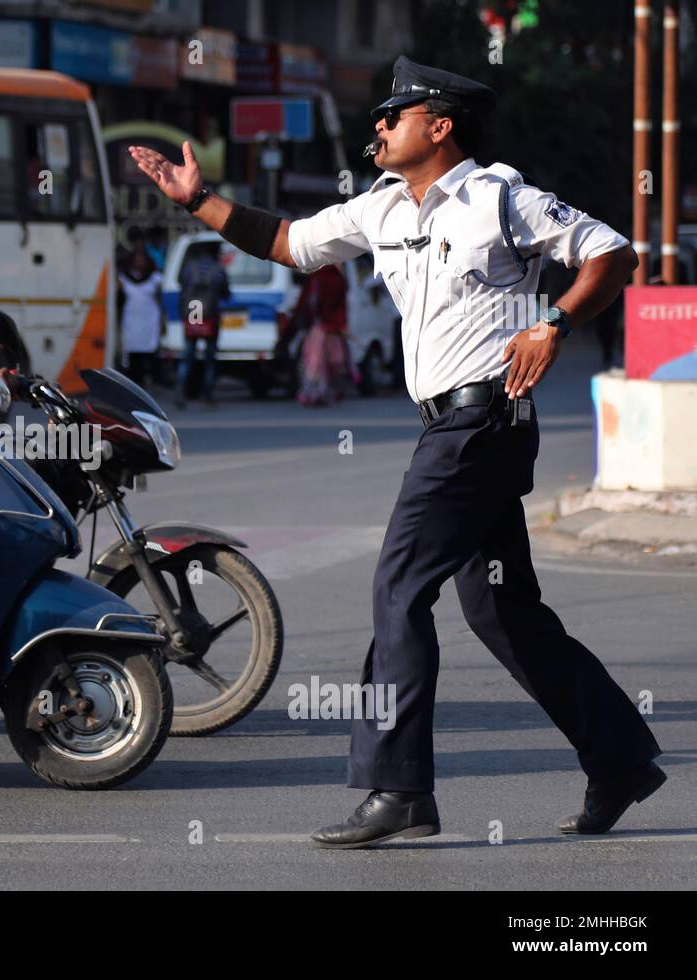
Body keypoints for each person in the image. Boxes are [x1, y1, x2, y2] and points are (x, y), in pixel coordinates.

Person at [130, 56, 664, 847]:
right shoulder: (379, 208)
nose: (378, 126)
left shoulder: (500, 198)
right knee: (501, 610)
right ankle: (619, 758)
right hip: (446, 427)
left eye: (395, 113)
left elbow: (613, 253)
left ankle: (400, 787)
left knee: (397, 589)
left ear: (439, 126)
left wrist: (553, 325)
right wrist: (199, 199)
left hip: (482, 424)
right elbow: (288, 242)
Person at [290, 263, 354, 406]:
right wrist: (342, 324)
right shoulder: (338, 279)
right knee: (336, 362)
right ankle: (330, 392)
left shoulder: (316, 278)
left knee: (314, 365)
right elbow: (342, 305)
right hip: (334, 329)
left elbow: (306, 302)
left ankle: (313, 394)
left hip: (319, 328)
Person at [177, 240, 231, 407]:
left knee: (188, 357)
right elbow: (226, 294)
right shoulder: (219, 270)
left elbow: (182, 285)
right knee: (209, 359)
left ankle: (181, 394)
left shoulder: (189, 268)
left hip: (193, 315)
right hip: (210, 317)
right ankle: (207, 395)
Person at [117, 246, 164, 391]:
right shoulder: (123, 279)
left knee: (151, 350)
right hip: (131, 319)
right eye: (136, 260)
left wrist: (163, 321)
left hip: (149, 319)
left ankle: (154, 380)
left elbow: (161, 300)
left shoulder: (156, 278)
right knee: (133, 351)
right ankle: (136, 381)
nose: (139, 263)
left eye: (142, 260)